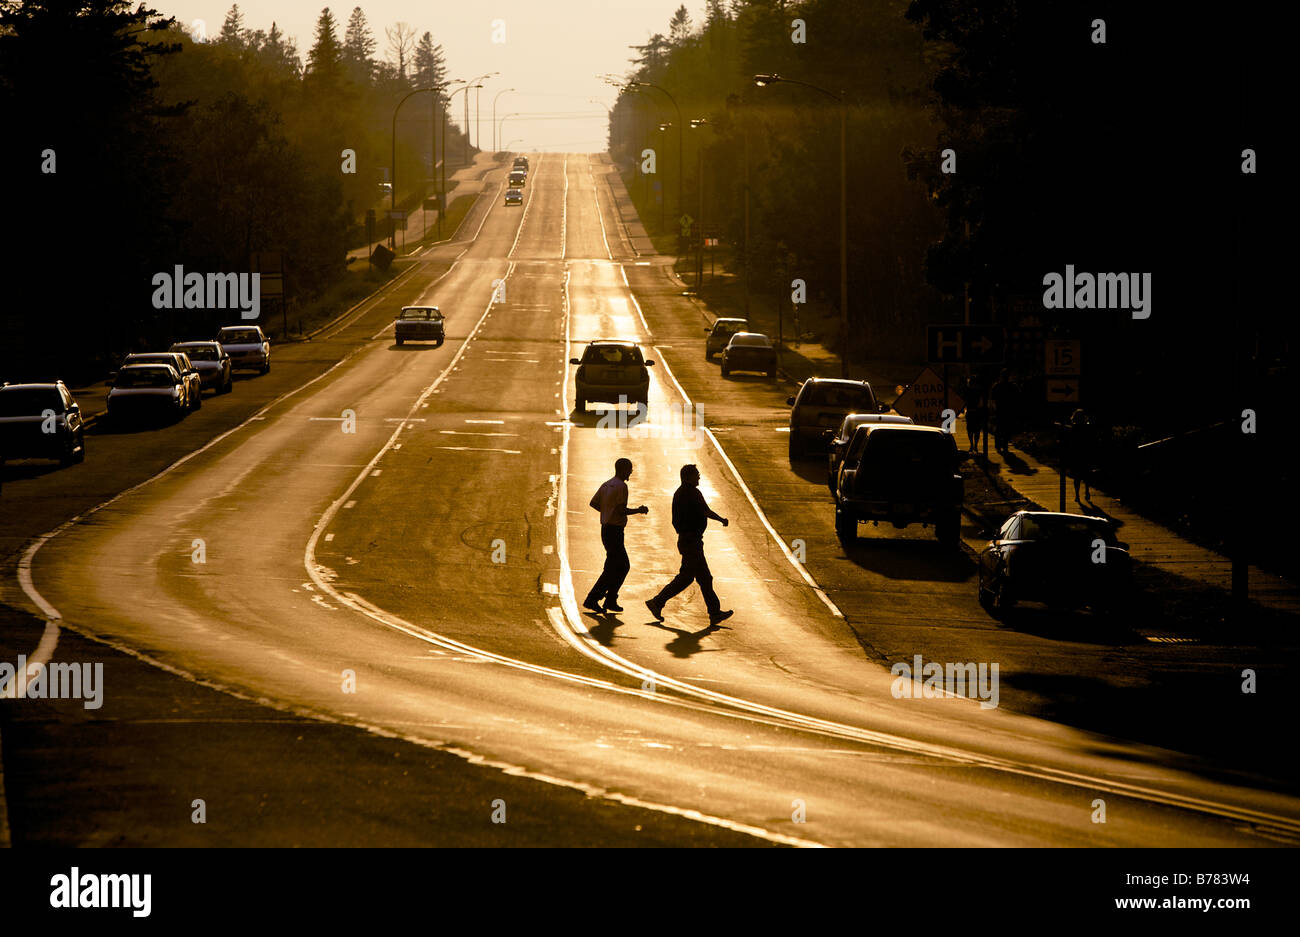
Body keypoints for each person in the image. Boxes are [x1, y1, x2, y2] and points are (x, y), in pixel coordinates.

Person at [645, 464, 734, 626]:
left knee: (705, 578)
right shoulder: (692, 492)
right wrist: (721, 520)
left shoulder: (679, 493)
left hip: (688, 540)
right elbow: (705, 511)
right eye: (696, 475)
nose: (699, 477)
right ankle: (657, 601)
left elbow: (675, 520)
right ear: (688, 477)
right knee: (686, 577)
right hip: (691, 541)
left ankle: (714, 612)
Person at [583, 458, 649, 614]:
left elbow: (594, 503)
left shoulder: (607, 484)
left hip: (606, 529)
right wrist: (639, 510)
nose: (631, 472)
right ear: (623, 469)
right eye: (629, 469)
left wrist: (606, 512)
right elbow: (621, 510)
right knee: (622, 566)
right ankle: (595, 598)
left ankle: (609, 599)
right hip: (615, 531)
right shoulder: (622, 487)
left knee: (612, 566)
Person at [1064, 408, 1093, 502]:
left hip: (1076, 455)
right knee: (1086, 476)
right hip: (1085, 454)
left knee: (1077, 477)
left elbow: (1069, 443)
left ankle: (1077, 495)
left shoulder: (1073, 429)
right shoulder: (1087, 428)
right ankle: (1087, 491)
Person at [989, 369, 1019, 453]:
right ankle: (1003, 445)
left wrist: (993, 410)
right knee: (1005, 429)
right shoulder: (1012, 386)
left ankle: (999, 445)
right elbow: (1017, 399)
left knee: (1000, 429)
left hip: (1002, 410)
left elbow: (993, 400)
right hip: (1006, 411)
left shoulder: (997, 386)